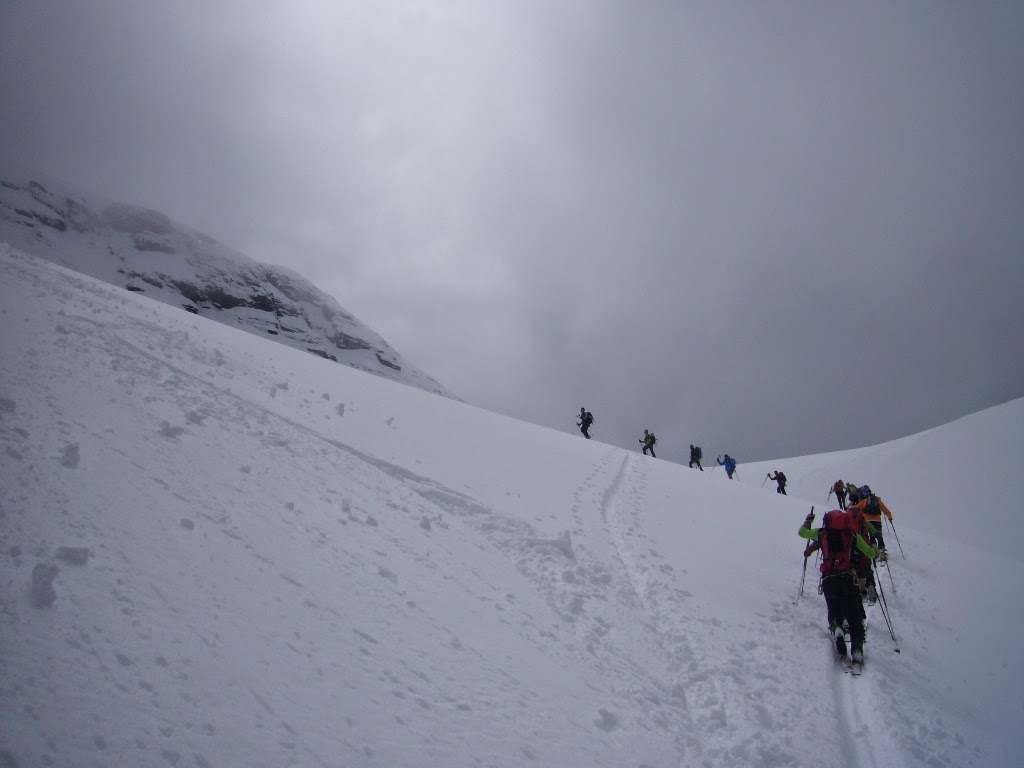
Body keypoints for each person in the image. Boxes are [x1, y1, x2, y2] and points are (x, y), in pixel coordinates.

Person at [799, 509, 876, 666]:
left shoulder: (822, 533)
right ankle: (857, 651)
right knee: (854, 620)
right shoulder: (852, 536)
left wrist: (808, 520)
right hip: (848, 579)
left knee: (834, 612)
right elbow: (870, 554)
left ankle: (837, 628)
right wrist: (874, 548)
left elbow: (802, 533)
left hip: (829, 580)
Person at [848, 489, 894, 561]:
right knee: (879, 535)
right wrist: (890, 517)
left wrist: (848, 511)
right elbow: (885, 509)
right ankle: (882, 551)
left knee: (871, 536)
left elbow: (855, 507)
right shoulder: (878, 501)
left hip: (867, 520)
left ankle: (874, 551)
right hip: (877, 520)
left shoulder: (865, 501)